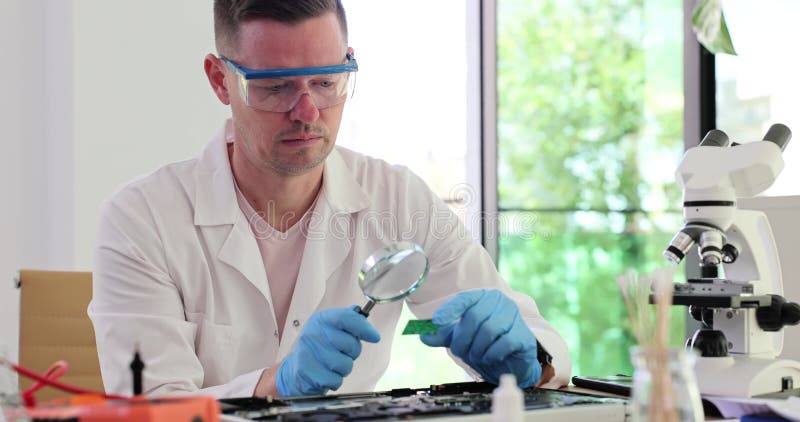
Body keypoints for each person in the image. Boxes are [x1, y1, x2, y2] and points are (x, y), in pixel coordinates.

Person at [88, 0, 571, 398]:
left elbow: (544, 349)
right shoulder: (143, 220)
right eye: (275, 87)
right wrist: (273, 384)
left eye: (326, 82)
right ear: (220, 80)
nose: (307, 111)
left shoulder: (398, 200)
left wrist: (530, 360)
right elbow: (148, 406)